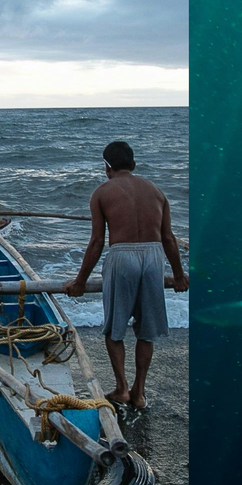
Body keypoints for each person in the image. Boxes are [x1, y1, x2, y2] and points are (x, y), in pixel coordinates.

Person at [63, 141, 188, 410]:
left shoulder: (101, 192)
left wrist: (80, 281)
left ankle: (121, 388)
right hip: (154, 258)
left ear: (107, 167)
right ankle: (139, 393)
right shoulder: (157, 191)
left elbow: (97, 241)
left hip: (122, 256)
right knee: (146, 332)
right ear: (133, 164)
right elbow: (168, 238)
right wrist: (179, 275)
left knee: (115, 329)